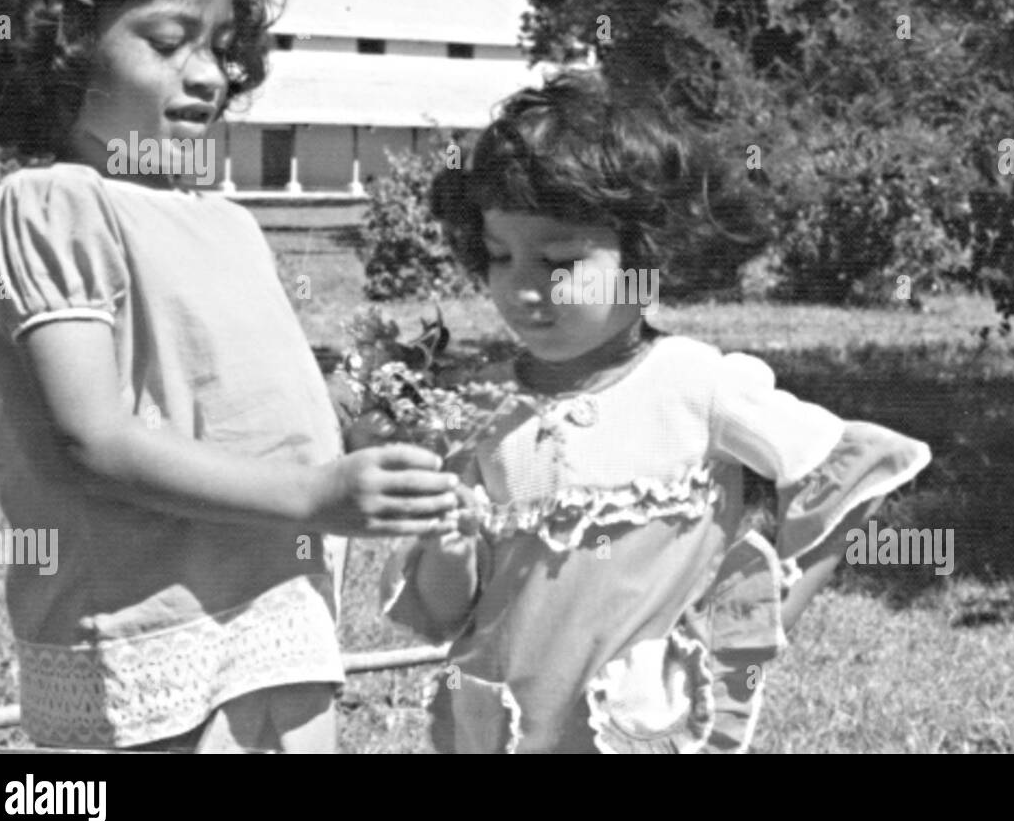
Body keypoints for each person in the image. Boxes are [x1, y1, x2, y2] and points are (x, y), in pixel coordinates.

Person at [0, 0, 459, 752]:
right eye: (165, 41)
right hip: (150, 613)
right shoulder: (51, 205)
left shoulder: (222, 218)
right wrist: (312, 491)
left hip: (275, 597)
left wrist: (353, 416)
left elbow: (233, 384)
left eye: (221, 45)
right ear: (61, 44)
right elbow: (92, 442)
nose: (209, 74)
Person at [382, 69, 932, 753]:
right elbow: (445, 612)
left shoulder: (695, 385)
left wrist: (753, 622)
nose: (522, 288)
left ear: (644, 255)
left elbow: (851, 471)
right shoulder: (487, 410)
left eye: (557, 261)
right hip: (505, 726)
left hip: (636, 725)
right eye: (499, 256)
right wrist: (450, 542)